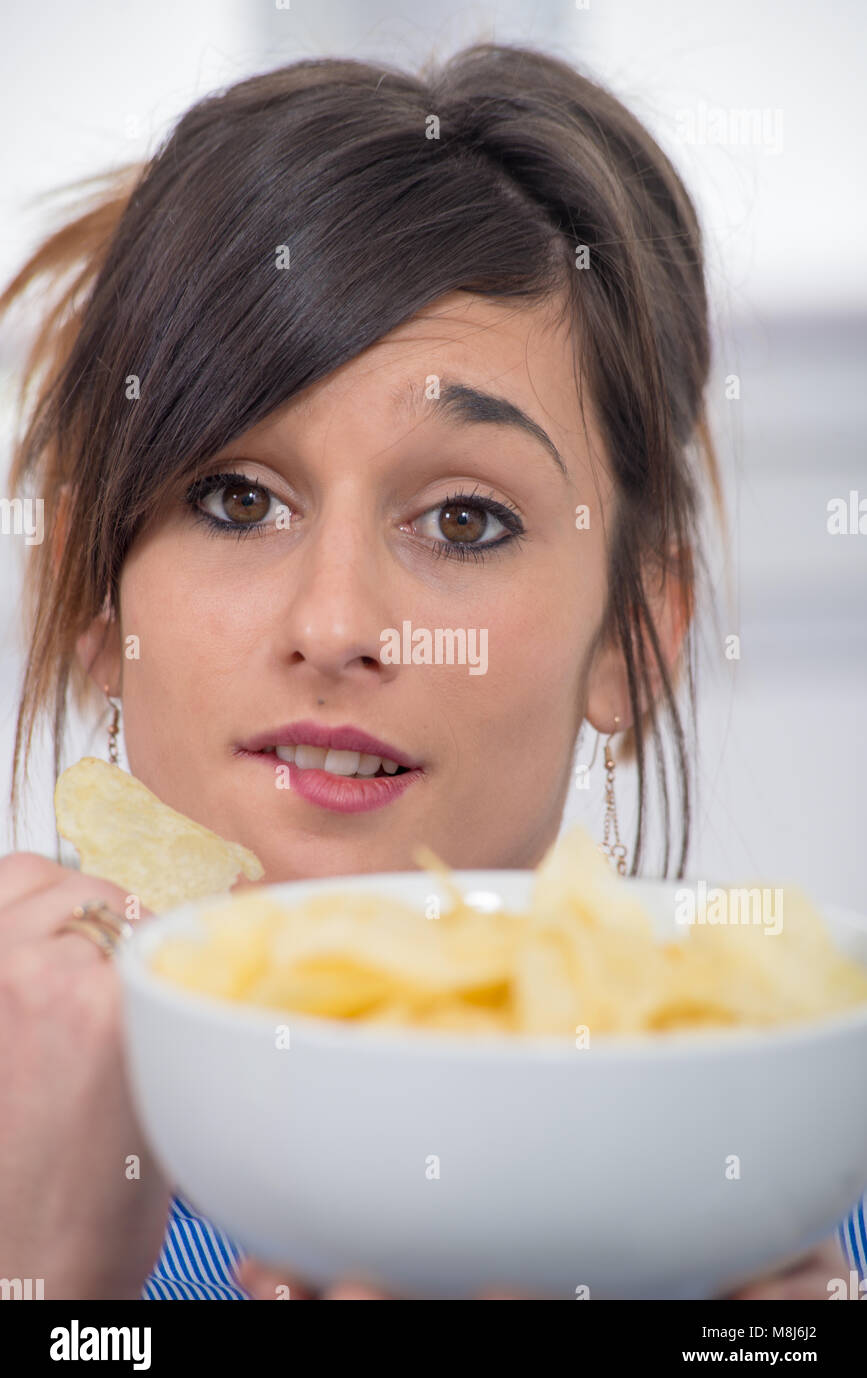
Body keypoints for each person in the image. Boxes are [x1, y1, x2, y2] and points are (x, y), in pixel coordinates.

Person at [0, 42, 862, 1301]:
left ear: (632, 637)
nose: (337, 621)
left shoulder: (794, 1222)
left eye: (463, 520)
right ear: (91, 596)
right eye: (237, 499)